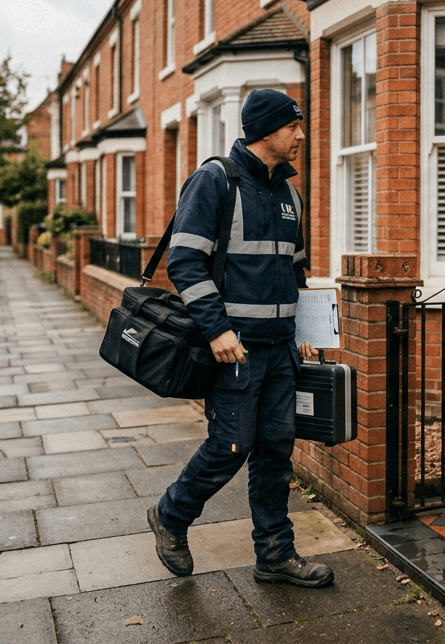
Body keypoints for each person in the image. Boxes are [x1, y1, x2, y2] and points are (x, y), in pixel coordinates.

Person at [147, 88, 333, 588]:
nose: (300, 134)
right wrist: (218, 329)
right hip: (236, 350)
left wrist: (307, 333)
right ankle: (170, 514)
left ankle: (275, 554)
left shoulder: (290, 195)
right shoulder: (214, 181)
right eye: (292, 126)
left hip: (279, 352)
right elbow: (184, 263)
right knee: (231, 445)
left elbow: (296, 272)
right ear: (266, 130)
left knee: (276, 450)